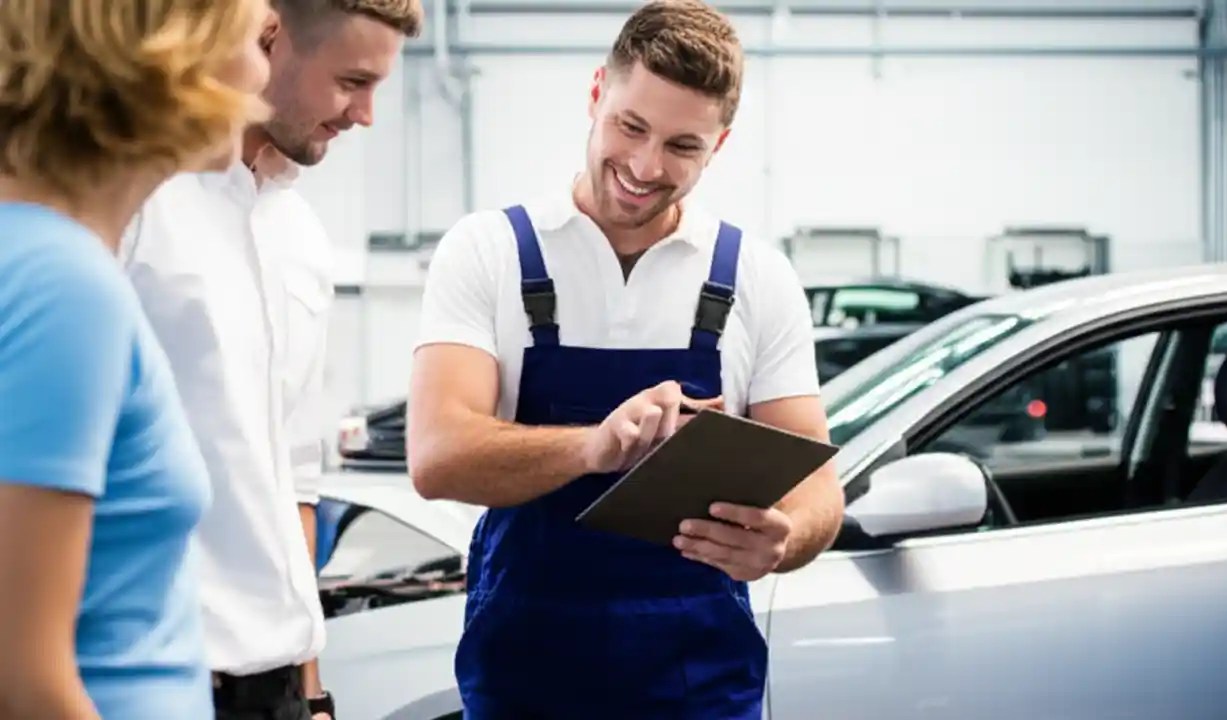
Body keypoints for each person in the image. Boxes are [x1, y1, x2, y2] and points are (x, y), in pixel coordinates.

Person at [407, 0, 845, 717]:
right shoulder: (488, 253)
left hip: (699, 686)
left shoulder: (755, 278)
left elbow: (819, 488)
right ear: (595, 95)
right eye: (630, 126)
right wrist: (595, 446)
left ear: (720, 145)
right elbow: (435, 455)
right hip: (527, 682)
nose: (644, 166)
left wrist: (787, 538)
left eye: (682, 146)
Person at [119, 1, 422, 718]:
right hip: (154, 680)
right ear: (269, 36)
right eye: (351, 81)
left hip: (277, 688)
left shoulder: (301, 236)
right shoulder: (132, 201)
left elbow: (293, 482)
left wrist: (312, 698)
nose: (366, 115)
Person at [0, 1, 271, 719]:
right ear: (172, 56)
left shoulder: (45, 261)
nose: (262, 76)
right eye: (256, 40)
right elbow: (23, 682)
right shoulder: (61, 283)